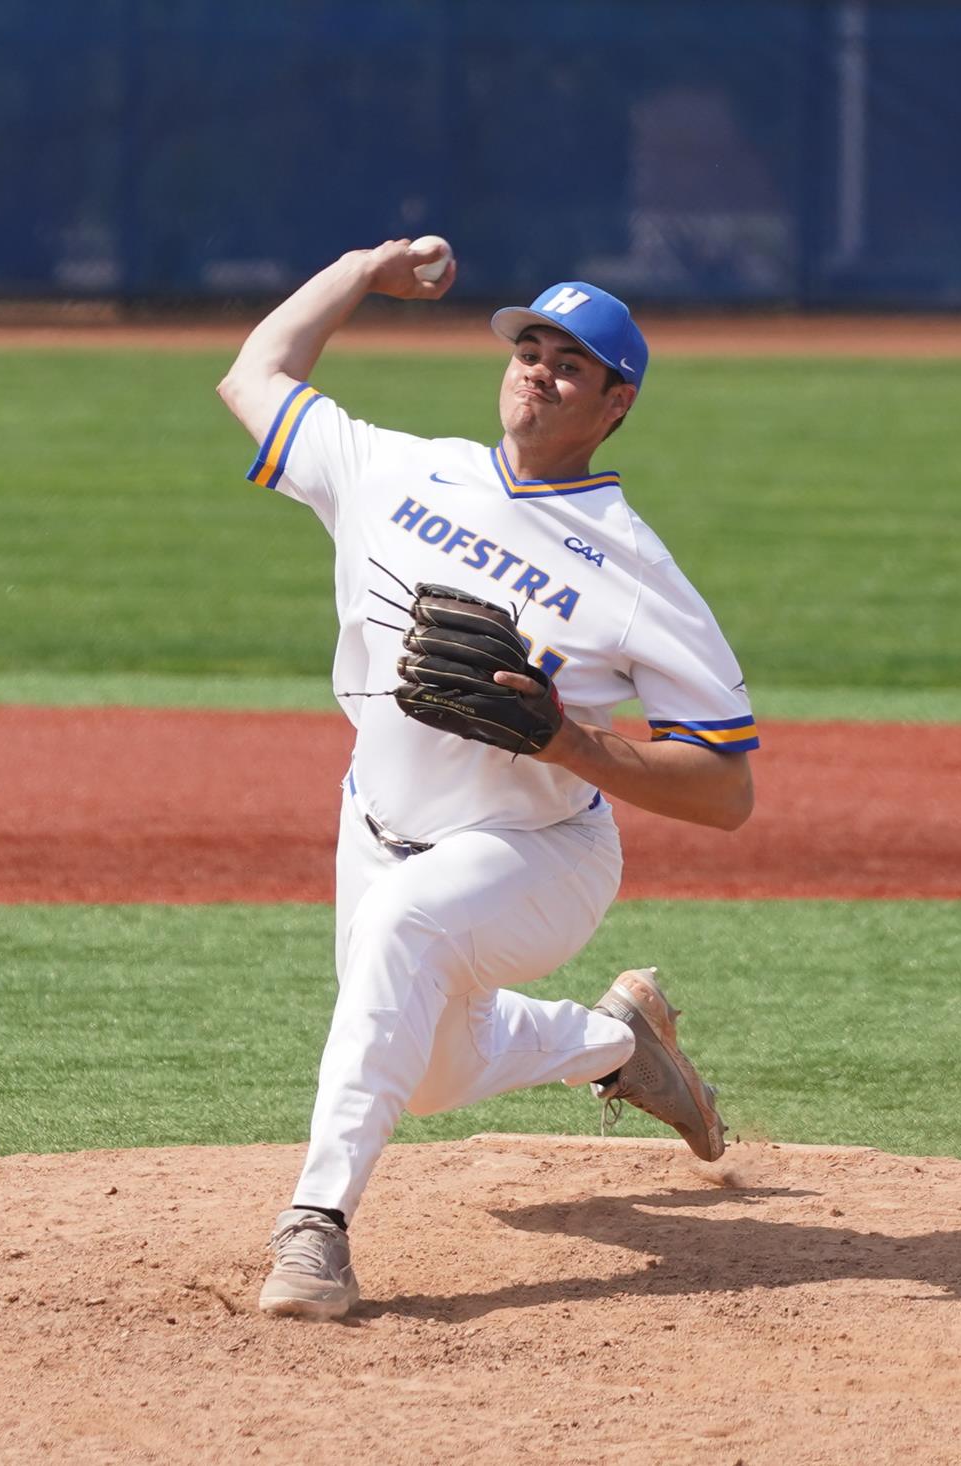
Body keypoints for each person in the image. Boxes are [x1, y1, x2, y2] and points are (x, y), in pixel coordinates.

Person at [216, 239, 758, 1321]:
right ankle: (619, 1041)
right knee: (419, 1071)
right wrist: (362, 269)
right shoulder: (397, 468)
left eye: (572, 362)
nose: (540, 369)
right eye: (530, 346)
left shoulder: (634, 569)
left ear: (616, 403)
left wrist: (573, 744)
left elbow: (725, 786)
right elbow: (255, 373)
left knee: (405, 932)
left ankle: (314, 1228)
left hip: (541, 855)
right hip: (373, 827)